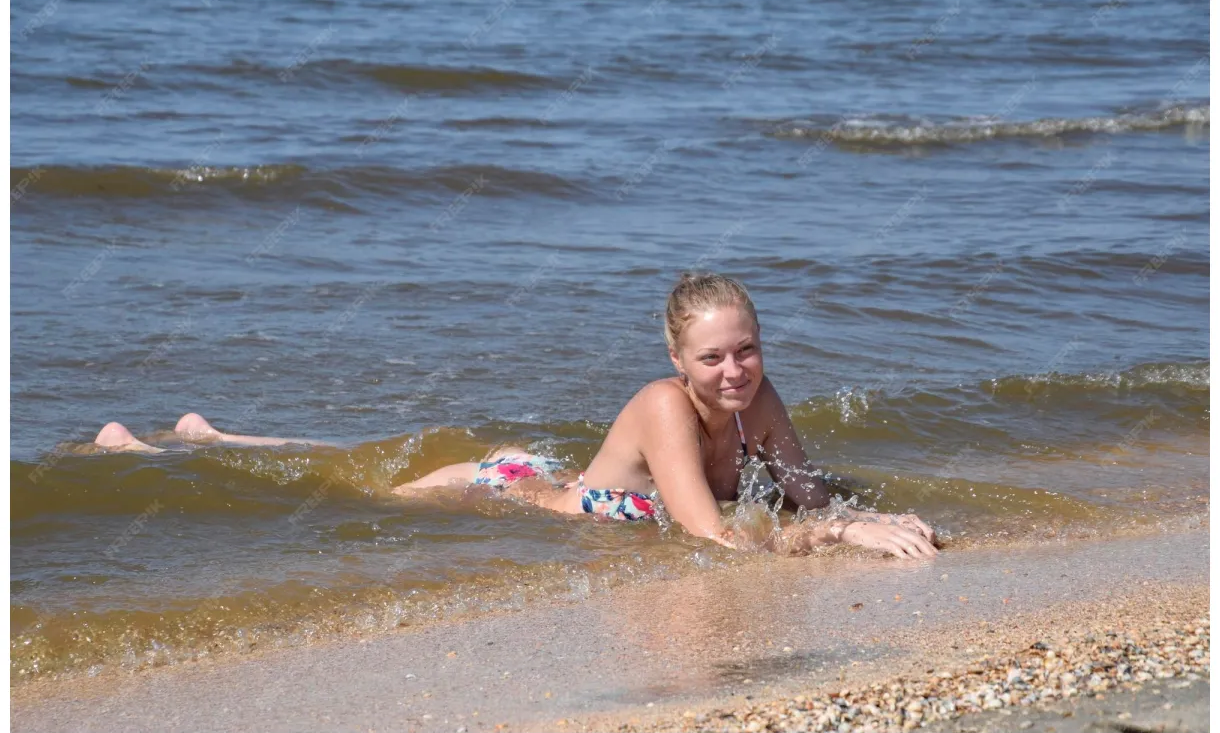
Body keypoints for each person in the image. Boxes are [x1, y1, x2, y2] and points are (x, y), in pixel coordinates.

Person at [93, 274, 938, 559]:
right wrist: (834, 538)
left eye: (745, 350)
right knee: (345, 483)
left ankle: (204, 429)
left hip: (548, 476)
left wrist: (861, 517)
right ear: (678, 362)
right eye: (712, 357)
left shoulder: (762, 396)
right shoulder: (660, 405)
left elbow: (806, 495)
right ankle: (171, 450)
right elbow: (710, 539)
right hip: (501, 492)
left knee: (353, 464)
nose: (734, 370)